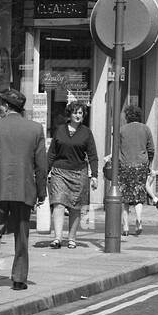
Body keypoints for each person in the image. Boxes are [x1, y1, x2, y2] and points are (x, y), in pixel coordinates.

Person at [0, 88, 49, 293]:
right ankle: (18, 279)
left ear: (7, 106)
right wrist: (41, 191)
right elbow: (41, 166)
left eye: (1, 104)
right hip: (23, 189)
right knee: (21, 235)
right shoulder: (35, 129)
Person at [47, 100, 98, 249]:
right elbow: (51, 153)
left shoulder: (86, 132)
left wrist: (94, 175)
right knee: (58, 203)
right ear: (69, 114)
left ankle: (72, 238)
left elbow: (93, 155)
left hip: (78, 172)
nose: (78, 115)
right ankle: (57, 237)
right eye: (75, 112)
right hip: (59, 171)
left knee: (75, 206)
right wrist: (45, 171)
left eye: (81, 113)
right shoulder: (60, 130)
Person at [116, 104, 156, 236]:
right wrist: (149, 163)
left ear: (127, 117)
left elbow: (117, 148)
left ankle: (125, 226)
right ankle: (138, 219)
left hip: (125, 165)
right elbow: (151, 149)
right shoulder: (145, 129)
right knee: (139, 195)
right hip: (141, 165)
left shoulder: (122, 130)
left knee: (125, 197)